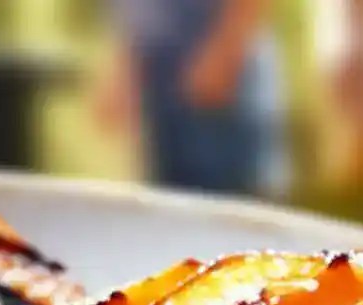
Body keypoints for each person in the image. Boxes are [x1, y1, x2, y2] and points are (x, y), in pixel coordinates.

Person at [97, 0, 274, 194]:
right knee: (169, 197)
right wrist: (127, 69)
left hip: (216, 66)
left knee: (225, 203)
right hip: (161, 74)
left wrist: (226, 51)